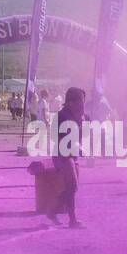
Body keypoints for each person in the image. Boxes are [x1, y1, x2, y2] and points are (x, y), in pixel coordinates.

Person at [50, 86, 86, 227]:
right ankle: (72, 220)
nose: (83, 103)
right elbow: (56, 137)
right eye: (81, 100)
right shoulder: (61, 116)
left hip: (71, 155)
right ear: (71, 102)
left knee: (73, 187)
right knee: (72, 186)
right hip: (63, 155)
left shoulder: (76, 115)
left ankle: (52, 211)